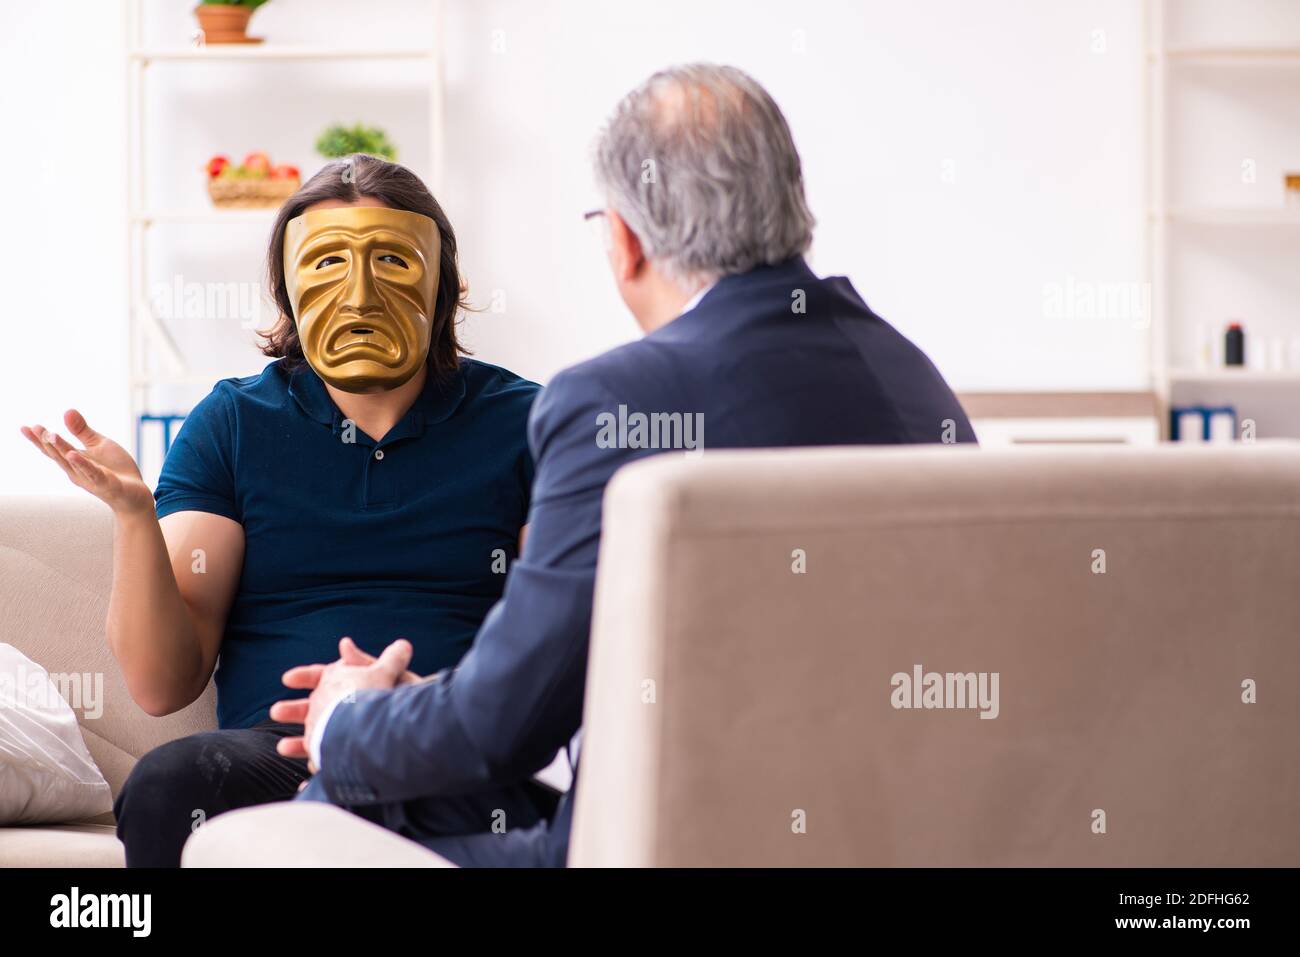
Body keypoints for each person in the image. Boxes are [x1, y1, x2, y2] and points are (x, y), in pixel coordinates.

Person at [268, 64, 978, 866]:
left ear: (625, 239)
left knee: (327, 810)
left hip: (665, 845)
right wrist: (433, 703)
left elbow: (501, 726)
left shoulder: (618, 400)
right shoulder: (912, 380)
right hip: (888, 836)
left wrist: (344, 718)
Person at [19, 154, 551, 867]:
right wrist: (134, 516)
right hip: (282, 753)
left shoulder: (525, 420)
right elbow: (160, 683)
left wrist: (457, 707)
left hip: (450, 740)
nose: (359, 297)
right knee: (167, 786)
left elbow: (566, 628)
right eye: (328, 263)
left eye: (392, 260)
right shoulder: (234, 422)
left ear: (445, 285)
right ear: (287, 291)